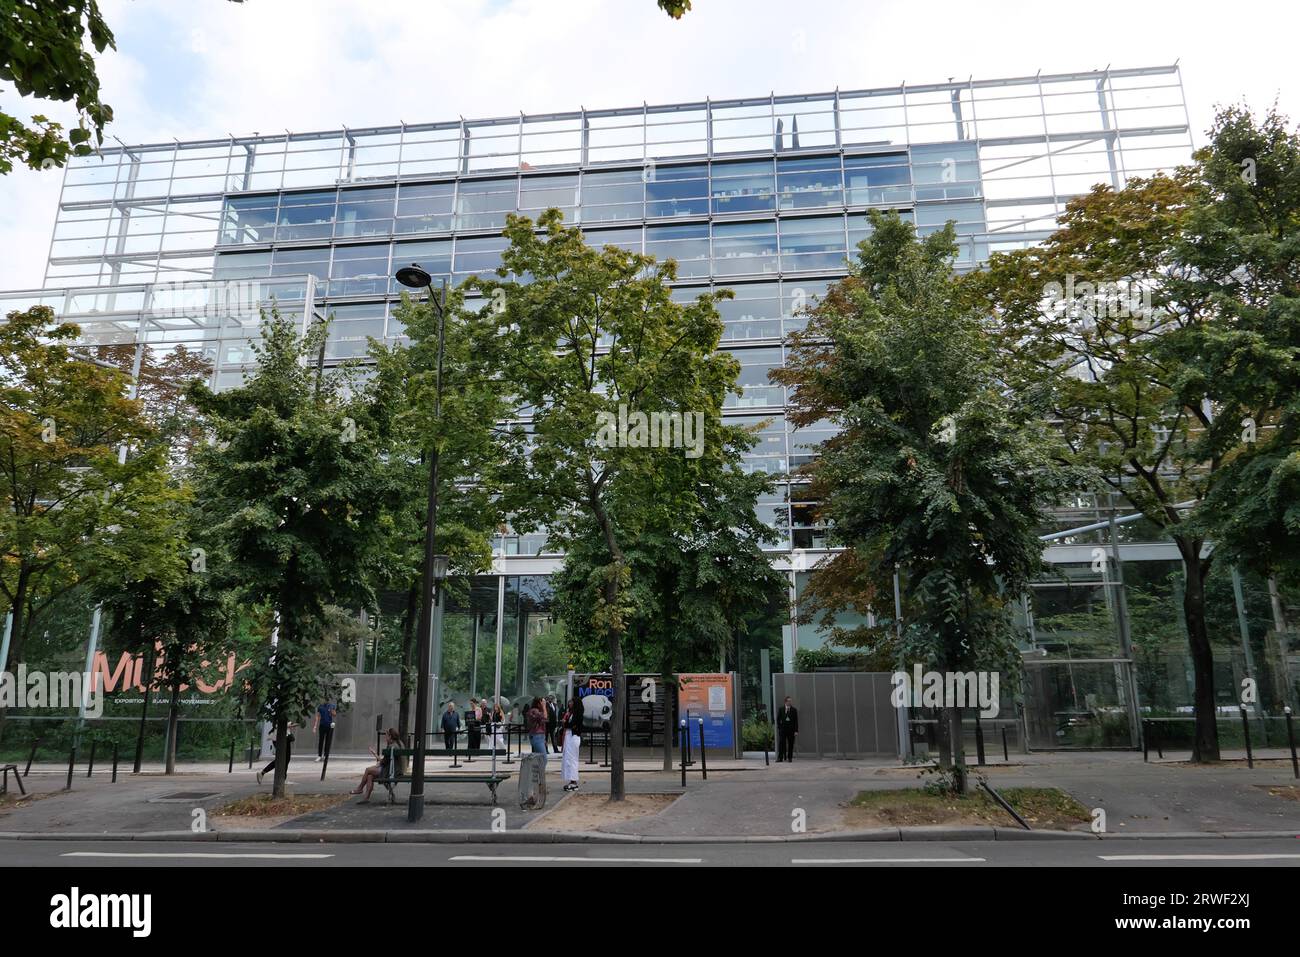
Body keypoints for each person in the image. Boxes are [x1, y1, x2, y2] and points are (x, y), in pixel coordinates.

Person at [352, 728, 401, 802]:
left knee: (368, 770)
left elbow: (383, 762)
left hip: (389, 772)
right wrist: (376, 756)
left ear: (390, 736)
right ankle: (366, 798)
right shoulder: (395, 745)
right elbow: (384, 761)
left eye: (386, 736)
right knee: (370, 776)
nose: (385, 738)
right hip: (391, 770)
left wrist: (376, 759)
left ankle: (360, 788)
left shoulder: (391, 747)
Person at [561, 693, 583, 791]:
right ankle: (571, 780)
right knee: (568, 758)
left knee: (572, 759)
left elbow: (572, 725)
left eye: (571, 702)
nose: (569, 703)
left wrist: (565, 723)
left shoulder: (577, 714)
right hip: (569, 736)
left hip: (573, 737)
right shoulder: (571, 713)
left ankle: (574, 781)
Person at [526, 696, 548, 769]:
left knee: (538, 758)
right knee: (544, 759)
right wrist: (544, 707)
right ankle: (538, 775)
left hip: (539, 736)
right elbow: (545, 717)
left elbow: (544, 721)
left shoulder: (537, 711)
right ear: (539, 704)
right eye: (542, 702)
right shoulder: (534, 711)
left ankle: (537, 775)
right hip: (537, 736)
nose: (544, 704)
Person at [776, 696, 799, 762]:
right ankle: (780, 758)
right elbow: (778, 719)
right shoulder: (781, 709)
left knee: (791, 744)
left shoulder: (794, 710)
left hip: (791, 730)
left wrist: (796, 730)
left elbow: (796, 721)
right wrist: (780, 727)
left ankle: (790, 757)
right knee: (781, 743)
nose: (790, 702)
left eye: (790, 701)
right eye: (788, 701)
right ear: (785, 702)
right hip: (783, 730)